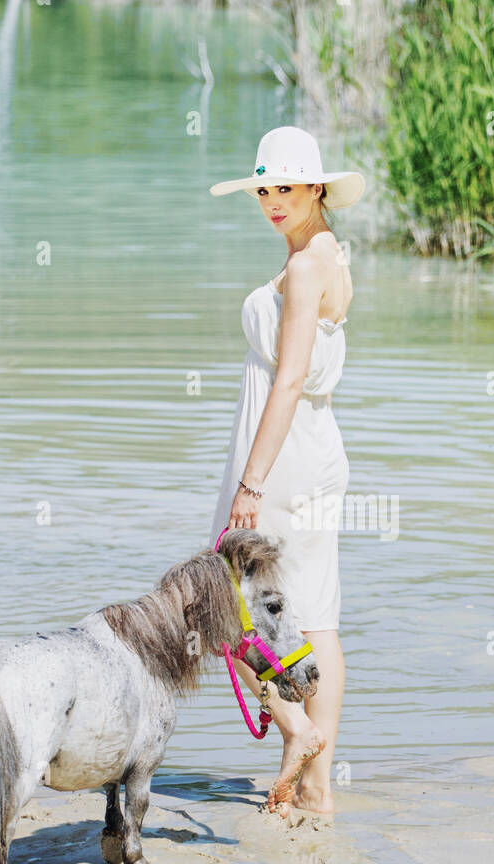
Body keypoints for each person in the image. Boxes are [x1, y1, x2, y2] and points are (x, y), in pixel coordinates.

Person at [207, 126, 365, 817]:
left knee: (223, 604)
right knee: (313, 614)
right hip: (315, 451)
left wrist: (251, 483)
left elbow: (291, 378)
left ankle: (298, 729)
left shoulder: (304, 268)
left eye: (286, 188)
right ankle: (314, 786)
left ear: (316, 188)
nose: (272, 200)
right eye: (264, 189)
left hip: (284, 460)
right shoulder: (330, 255)